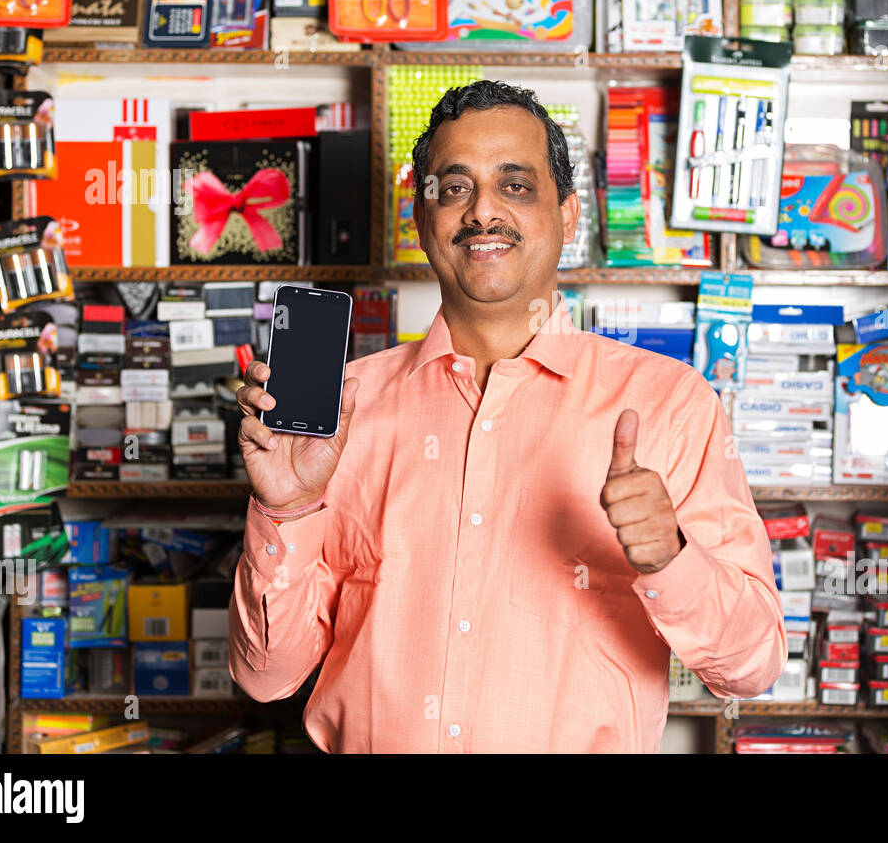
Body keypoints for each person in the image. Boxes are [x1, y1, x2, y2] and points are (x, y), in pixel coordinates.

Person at [230, 80, 785, 753]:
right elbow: (265, 679)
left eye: (516, 185)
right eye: (454, 188)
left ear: (570, 214)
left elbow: (752, 667)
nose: (482, 210)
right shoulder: (342, 412)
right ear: (420, 217)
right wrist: (286, 510)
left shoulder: (669, 404)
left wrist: (672, 558)